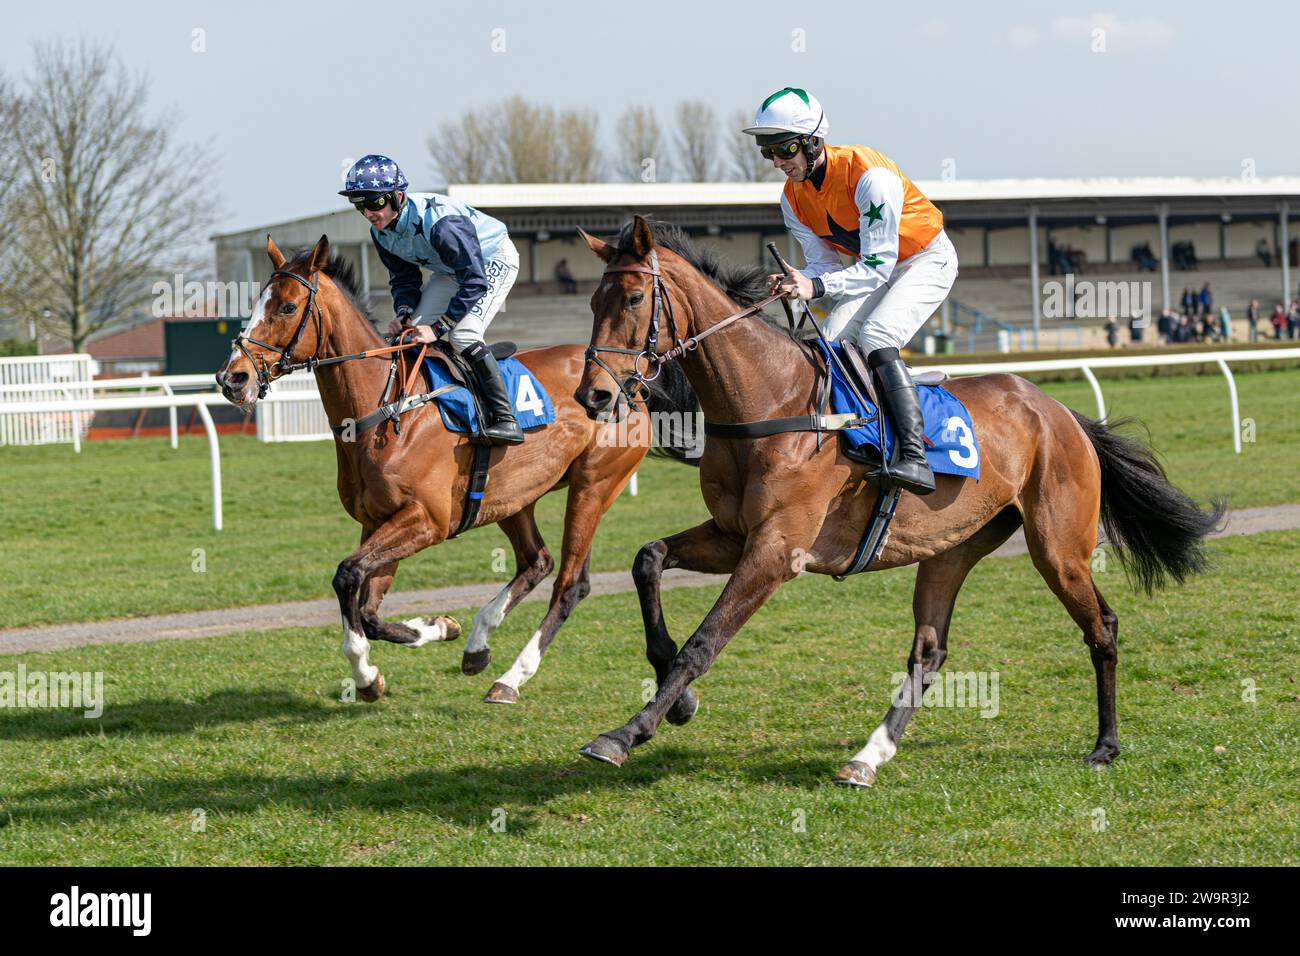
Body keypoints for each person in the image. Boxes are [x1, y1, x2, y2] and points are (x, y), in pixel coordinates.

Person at [744, 87, 956, 496]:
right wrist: (799, 281)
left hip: (924, 259)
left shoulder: (869, 178)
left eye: (785, 148)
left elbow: (876, 266)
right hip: (877, 268)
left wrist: (816, 285)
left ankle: (914, 457)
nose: (778, 162)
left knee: (877, 335)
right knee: (830, 343)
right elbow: (825, 264)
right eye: (766, 151)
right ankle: (860, 446)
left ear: (813, 141)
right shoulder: (792, 198)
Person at [338, 154, 523, 445]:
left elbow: (474, 281)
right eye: (359, 205)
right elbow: (404, 278)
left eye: (374, 203)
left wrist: (438, 329)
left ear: (398, 197)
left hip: (490, 261)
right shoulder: (380, 233)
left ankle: (506, 418)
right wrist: (404, 312)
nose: (369, 213)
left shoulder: (443, 225)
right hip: (450, 270)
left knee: (462, 334)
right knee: (410, 334)